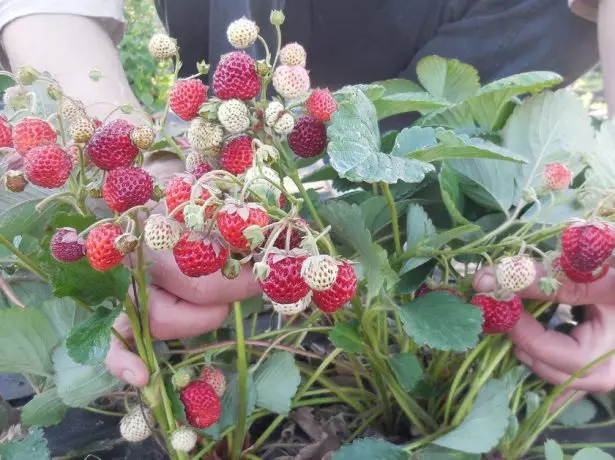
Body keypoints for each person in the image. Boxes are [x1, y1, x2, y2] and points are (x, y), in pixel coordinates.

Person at [0, 0, 614, 395]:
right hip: (241, 97)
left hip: (503, 36)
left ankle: (426, 263)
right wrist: (137, 166)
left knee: (438, 211)